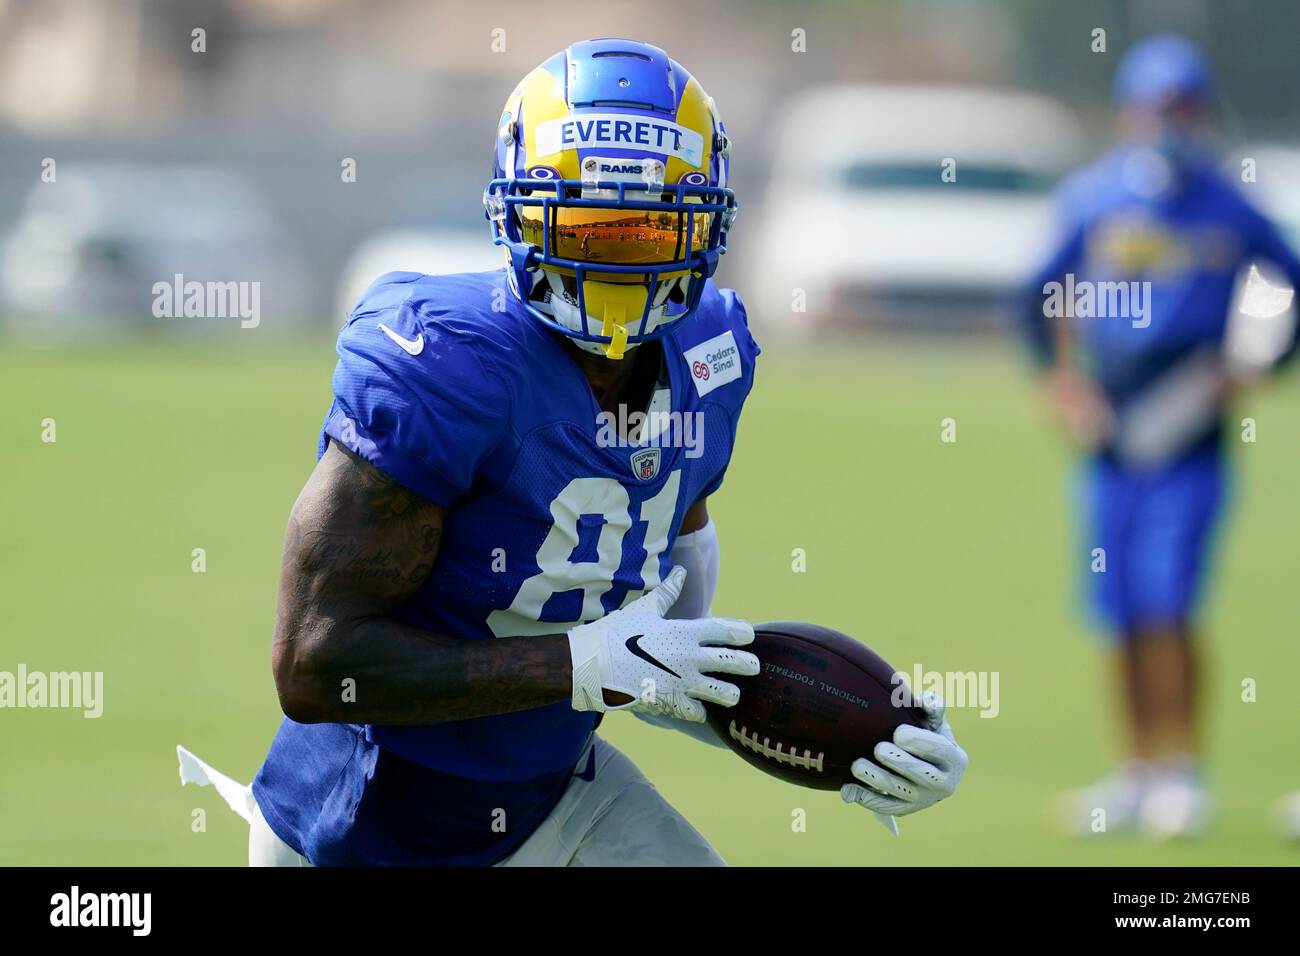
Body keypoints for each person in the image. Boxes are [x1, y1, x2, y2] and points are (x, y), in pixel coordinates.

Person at [208, 38, 966, 866]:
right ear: (519, 211)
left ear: (705, 222)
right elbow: (317, 665)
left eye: (646, 227)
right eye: (592, 223)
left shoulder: (712, 355)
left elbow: (665, 651)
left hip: (554, 792)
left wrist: (872, 735)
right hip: (368, 824)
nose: (617, 256)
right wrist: (585, 663)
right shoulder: (448, 361)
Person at [1015, 34, 1300, 838]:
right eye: (1156, 107)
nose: (1170, 122)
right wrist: (1062, 387)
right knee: (1119, 608)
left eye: (1184, 107)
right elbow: (1035, 296)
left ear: (1204, 113)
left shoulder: (1231, 203)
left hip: (1192, 427)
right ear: (1132, 114)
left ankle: (1182, 772)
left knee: (1171, 600)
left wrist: (1259, 366)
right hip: (1113, 429)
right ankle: (1135, 772)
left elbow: (1289, 282)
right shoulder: (1097, 199)